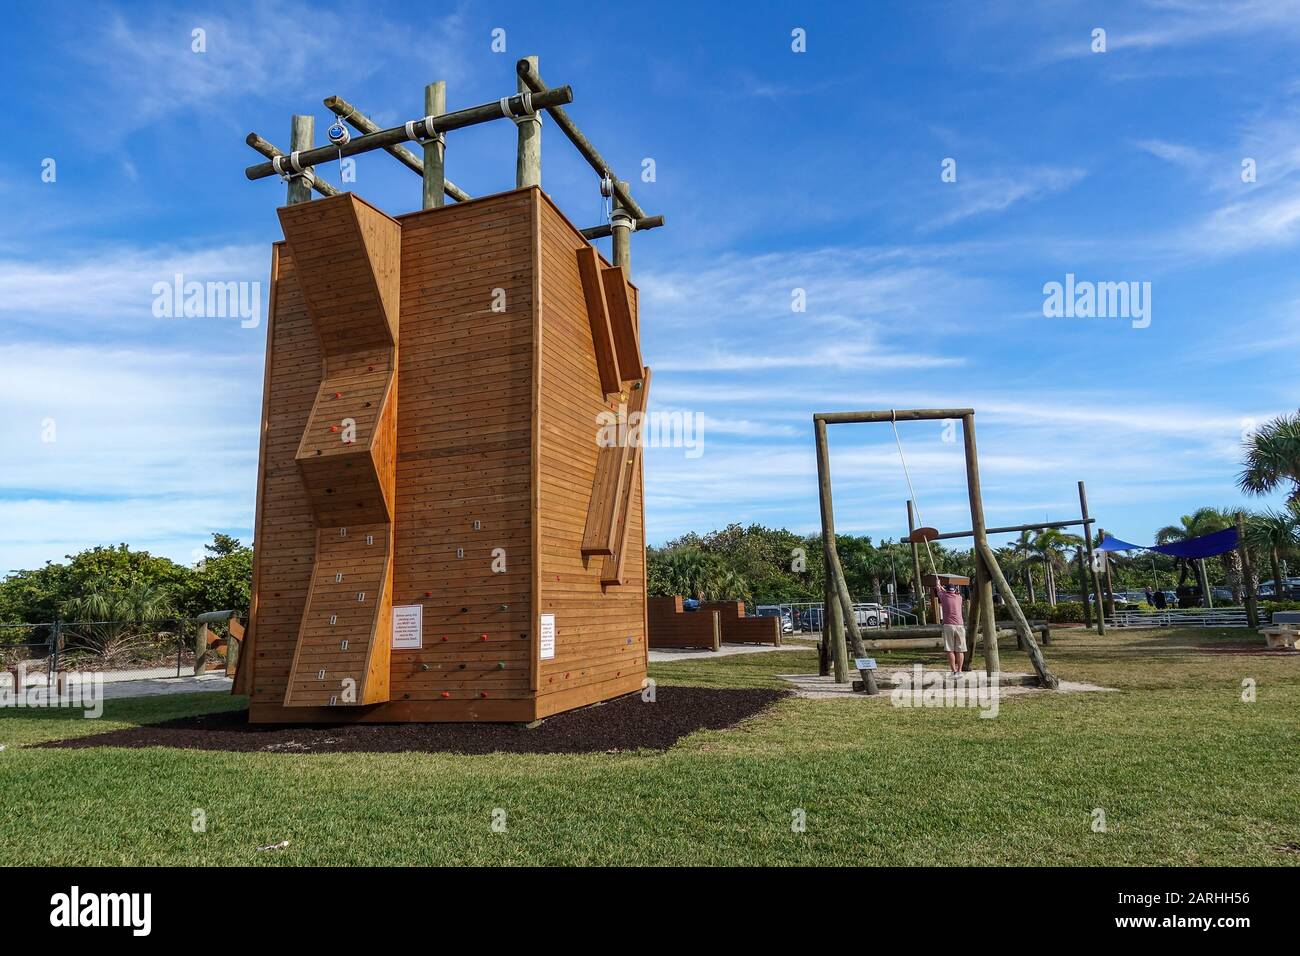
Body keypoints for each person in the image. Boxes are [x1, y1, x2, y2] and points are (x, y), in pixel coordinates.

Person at [936, 582, 966, 677]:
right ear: (955, 590)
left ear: (947, 590)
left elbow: (939, 590)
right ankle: (959, 670)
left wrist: (938, 584)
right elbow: (949, 592)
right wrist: (943, 587)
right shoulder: (959, 598)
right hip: (960, 626)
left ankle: (953, 671)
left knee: (950, 650)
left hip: (948, 625)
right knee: (960, 650)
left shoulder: (944, 597)